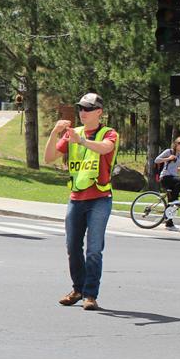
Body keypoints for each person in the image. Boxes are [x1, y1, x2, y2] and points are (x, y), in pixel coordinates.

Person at [44, 92, 119, 311]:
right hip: (76, 198)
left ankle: (90, 295)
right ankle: (77, 289)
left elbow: (106, 148)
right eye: (81, 108)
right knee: (72, 246)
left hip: (100, 199)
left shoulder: (109, 133)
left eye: (87, 109)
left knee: (94, 249)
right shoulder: (72, 133)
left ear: (99, 112)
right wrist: (55, 133)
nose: (82, 113)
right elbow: (48, 158)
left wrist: (83, 141)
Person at [154, 136, 180, 230]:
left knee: (171, 203)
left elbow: (177, 167)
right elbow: (156, 160)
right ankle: (175, 199)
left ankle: (169, 224)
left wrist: (177, 168)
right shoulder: (168, 151)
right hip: (165, 177)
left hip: (172, 178)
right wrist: (168, 158)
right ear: (177, 144)